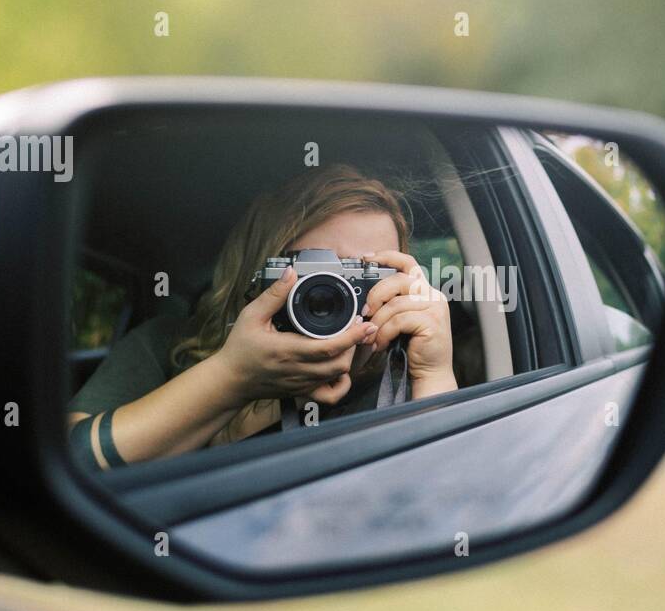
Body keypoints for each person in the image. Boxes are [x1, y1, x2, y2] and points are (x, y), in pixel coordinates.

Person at [67, 165, 456, 470]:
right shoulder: (166, 344)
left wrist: (435, 372)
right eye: (317, 272)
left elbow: (450, 498)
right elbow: (72, 460)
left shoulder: (402, 371)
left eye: (365, 275)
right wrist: (234, 376)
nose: (337, 295)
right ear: (259, 274)